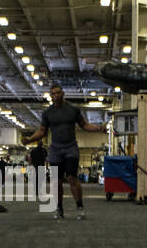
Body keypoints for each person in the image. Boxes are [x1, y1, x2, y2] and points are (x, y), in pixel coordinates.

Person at [22, 85, 104, 219]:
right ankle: (59, 208)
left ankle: (79, 207)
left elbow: (84, 125)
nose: (56, 96)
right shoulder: (47, 113)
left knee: (72, 178)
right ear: (51, 96)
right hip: (55, 150)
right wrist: (30, 139)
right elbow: (42, 131)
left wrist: (99, 128)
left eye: (58, 93)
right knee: (56, 181)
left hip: (71, 148)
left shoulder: (73, 110)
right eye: (53, 94)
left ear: (63, 93)